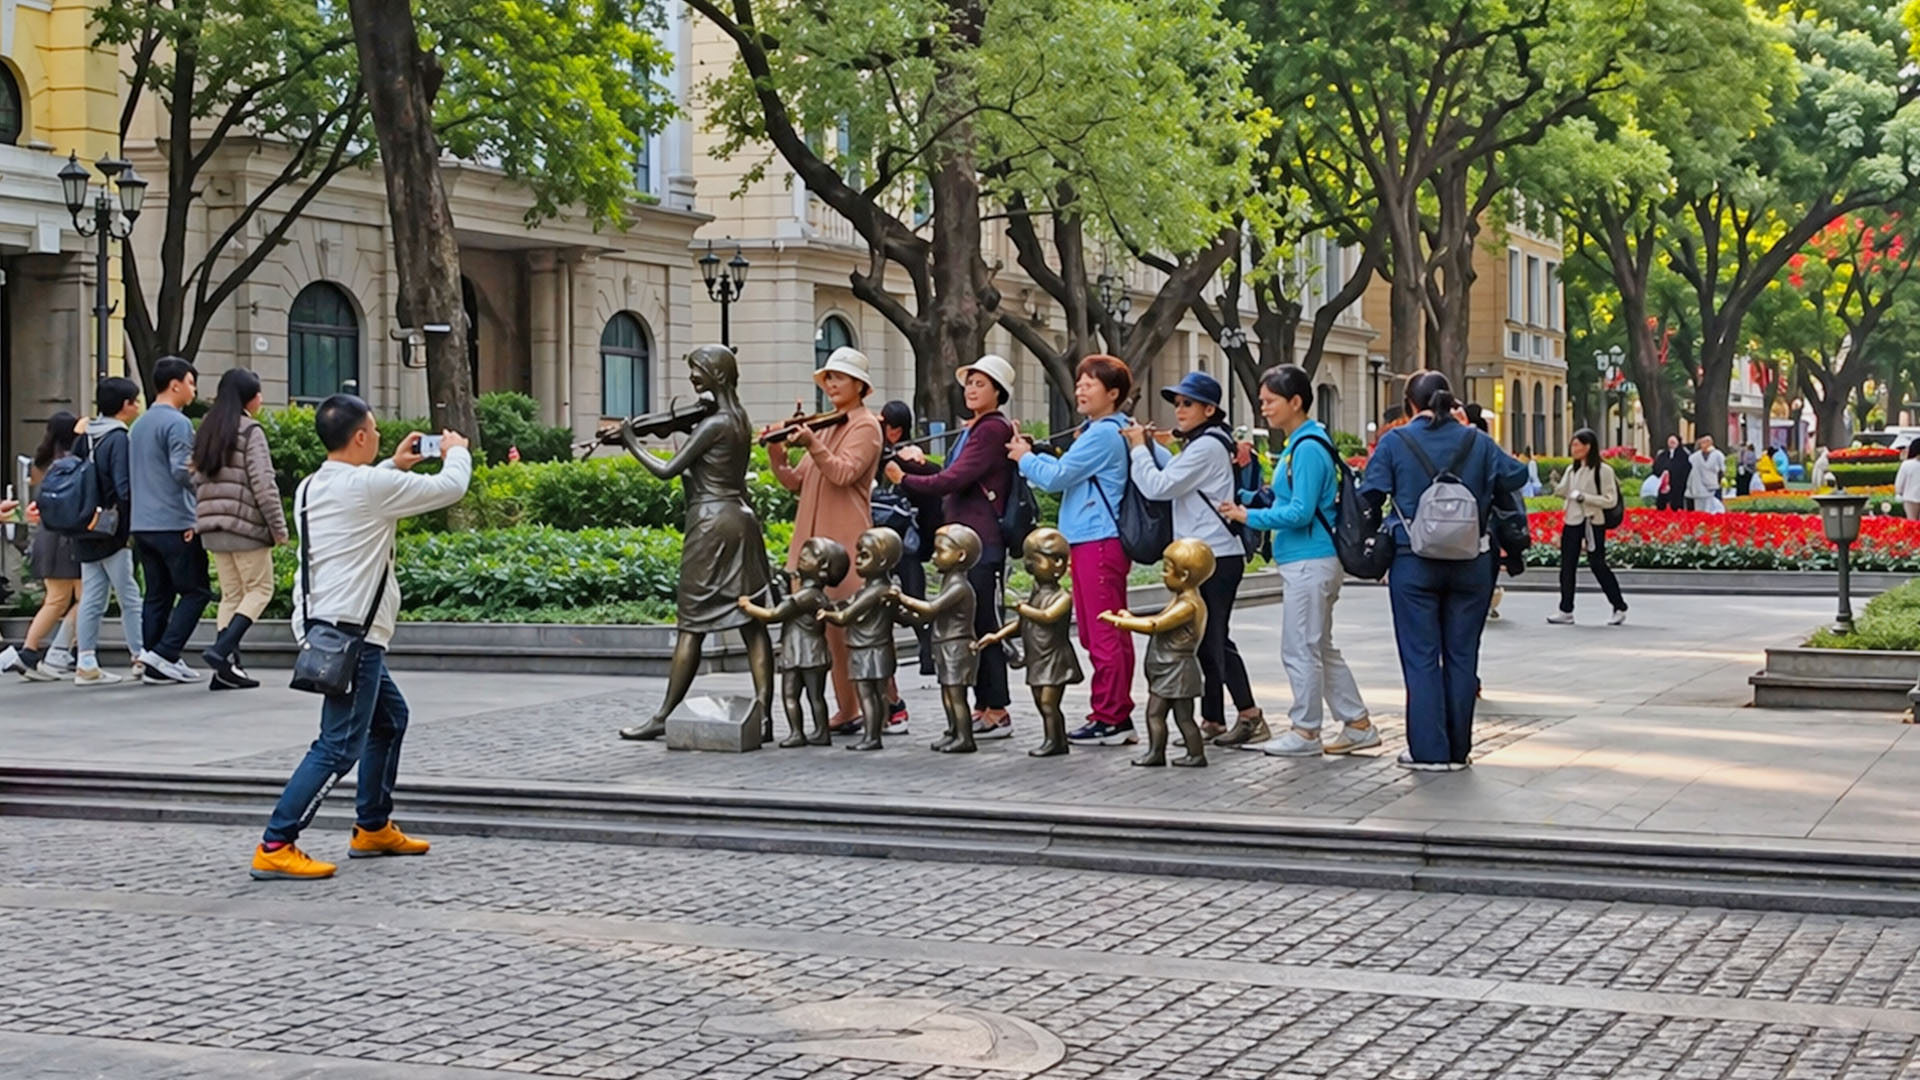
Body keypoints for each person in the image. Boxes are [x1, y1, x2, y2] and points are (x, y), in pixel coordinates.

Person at [250, 395, 473, 881]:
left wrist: (394, 464)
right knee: (338, 746)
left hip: (328, 626)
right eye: (372, 429)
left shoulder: (311, 485)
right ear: (358, 437)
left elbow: (363, 496)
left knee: (390, 720)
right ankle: (276, 843)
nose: (377, 436)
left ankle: (372, 826)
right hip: (353, 634)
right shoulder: (370, 486)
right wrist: (456, 450)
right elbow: (450, 487)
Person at [1361, 371, 1527, 770]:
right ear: (1452, 403)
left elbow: (1370, 493)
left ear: (1409, 404)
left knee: (1420, 655)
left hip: (1413, 560)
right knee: (1462, 654)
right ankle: (1458, 750)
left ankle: (1428, 751)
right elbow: (1516, 475)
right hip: (1473, 561)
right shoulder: (1477, 441)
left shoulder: (1396, 441)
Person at [616, 345, 777, 741]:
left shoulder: (713, 424)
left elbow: (667, 470)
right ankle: (764, 716)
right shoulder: (739, 418)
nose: (692, 378)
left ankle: (663, 715)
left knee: (691, 623)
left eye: (698, 371)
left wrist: (631, 441)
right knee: (752, 620)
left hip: (711, 523)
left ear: (717, 375)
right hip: (741, 518)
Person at [1219, 365, 1373, 758]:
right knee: (1319, 646)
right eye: (1262, 401)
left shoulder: (1306, 448)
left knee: (1300, 647)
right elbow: (1290, 500)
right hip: (1310, 560)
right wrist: (1250, 498)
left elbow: (1300, 512)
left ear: (1296, 402)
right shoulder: (1302, 443)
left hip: (1310, 560)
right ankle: (1357, 724)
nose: (1264, 408)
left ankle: (1306, 731)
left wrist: (1247, 516)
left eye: (1270, 401)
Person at [1124, 370, 1263, 744]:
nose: (1179, 410)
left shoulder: (1206, 447)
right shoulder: (1204, 443)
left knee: (1215, 638)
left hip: (1215, 556)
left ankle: (1250, 715)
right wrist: (1147, 445)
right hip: (1203, 556)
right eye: (1178, 403)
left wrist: (1138, 448)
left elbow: (1158, 486)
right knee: (1203, 639)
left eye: (1188, 404)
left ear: (1209, 409)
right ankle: (1213, 719)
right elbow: (1172, 473)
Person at [1009, 353, 1138, 747]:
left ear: (1112, 393)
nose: (1080, 390)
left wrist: (1024, 457)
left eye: (1090, 384)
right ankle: (1114, 712)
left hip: (1097, 540)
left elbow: (1057, 478)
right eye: (1079, 383)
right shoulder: (1108, 429)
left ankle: (1111, 717)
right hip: (1097, 539)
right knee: (1110, 631)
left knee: (1102, 633)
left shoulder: (1103, 434)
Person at [886, 355, 1019, 738]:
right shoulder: (976, 428)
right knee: (971, 624)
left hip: (979, 541)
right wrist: (915, 465)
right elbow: (949, 474)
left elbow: (954, 479)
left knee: (982, 624)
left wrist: (902, 479)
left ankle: (997, 709)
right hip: (963, 540)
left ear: (998, 391)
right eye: (969, 383)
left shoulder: (991, 429)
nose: (971, 390)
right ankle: (983, 705)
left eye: (981, 384)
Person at [766, 347, 885, 732]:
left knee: (848, 629)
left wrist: (812, 443)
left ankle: (870, 708)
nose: (831, 384)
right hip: (812, 544)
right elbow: (795, 481)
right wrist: (777, 453)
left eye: (840, 377)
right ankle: (849, 709)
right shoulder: (826, 424)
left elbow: (843, 473)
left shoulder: (865, 426)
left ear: (859, 385)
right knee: (821, 630)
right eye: (828, 378)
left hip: (846, 540)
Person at [191, 368, 289, 690]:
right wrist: (278, 527)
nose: (261, 399)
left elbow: (194, 478)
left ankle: (225, 671)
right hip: (245, 527)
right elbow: (264, 483)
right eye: (258, 394)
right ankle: (221, 651)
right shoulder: (250, 431)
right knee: (260, 590)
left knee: (231, 595)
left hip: (212, 526)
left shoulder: (207, 428)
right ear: (248, 398)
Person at [130, 355, 211, 684]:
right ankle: (165, 654)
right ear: (175, 385)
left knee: (157, 594)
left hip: (142, 523)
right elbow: (181, 470)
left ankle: (154, 658)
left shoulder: (139, 425)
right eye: (191, 383)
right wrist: (204, 489)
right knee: (197, 591)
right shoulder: (177, 423)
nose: (194, 390)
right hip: (174, 521)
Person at [70, 377, 145, 685]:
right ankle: (139, 656)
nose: (137, 406)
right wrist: (128, 527)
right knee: (129, 595)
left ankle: (86, 661)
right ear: (125, 405)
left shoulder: (83, 436)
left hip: (83, 525)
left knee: (92, 596)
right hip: (112, 529)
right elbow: (123, 488)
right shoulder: (118, 438)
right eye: (135, 401)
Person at [14, 413, 83, 681]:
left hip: (47, 536)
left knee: (56, 600)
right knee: (88, 598)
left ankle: (31, 652)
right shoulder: (74, 462)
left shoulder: (42, 463)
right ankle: (67, 651)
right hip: (69, 538)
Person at [878, 399, 939, 680]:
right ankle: (926, 651)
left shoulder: (908, 461)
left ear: (896, 430)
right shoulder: (887, 455)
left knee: (913, 598)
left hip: (902, 542)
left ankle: (927, 651)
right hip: (894, 542)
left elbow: (932, 485)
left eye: (884, 425)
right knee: (911, 596)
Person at [1547, 428, 1628, 627]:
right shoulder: (1572, 470)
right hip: (1572, 521)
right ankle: (1566, 610)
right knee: (1567, 566)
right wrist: (1555, 484)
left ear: (1588, 447)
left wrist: (1585, 498)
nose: (1573, 449)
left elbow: (1610, 500)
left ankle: (1619, 606)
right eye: (1572, 445)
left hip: (1592, 522)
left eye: (1577, 445)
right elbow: (1564, 491)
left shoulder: (1604, 471)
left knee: (1597, 564)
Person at [1687, 435, 1726, 511]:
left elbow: (1723, 469)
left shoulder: (1718, 455)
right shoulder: (1695, 456)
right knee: (1700, 510)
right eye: (1703, 442)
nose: (1705, 444)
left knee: (1714, 509)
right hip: (1699, 488)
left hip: (1713, 486)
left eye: (1707, 442)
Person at [1652, 434, 1691, 512]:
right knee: (1662, 507)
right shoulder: (1662, 455)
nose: (1672, 444)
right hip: (1663, 485)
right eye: (1670, 442)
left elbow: (1686, 470)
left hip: (1678, 486)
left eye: (1673, 442)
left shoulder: (1684, 455)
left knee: (1676, 506)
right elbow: (1656, 467)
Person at [1897, 442, 1920, 520]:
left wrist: (1899, 493)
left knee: (1912, 521)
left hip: (1910, 498)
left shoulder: (1906, 464)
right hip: (1911, 497)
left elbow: (1899, 484)